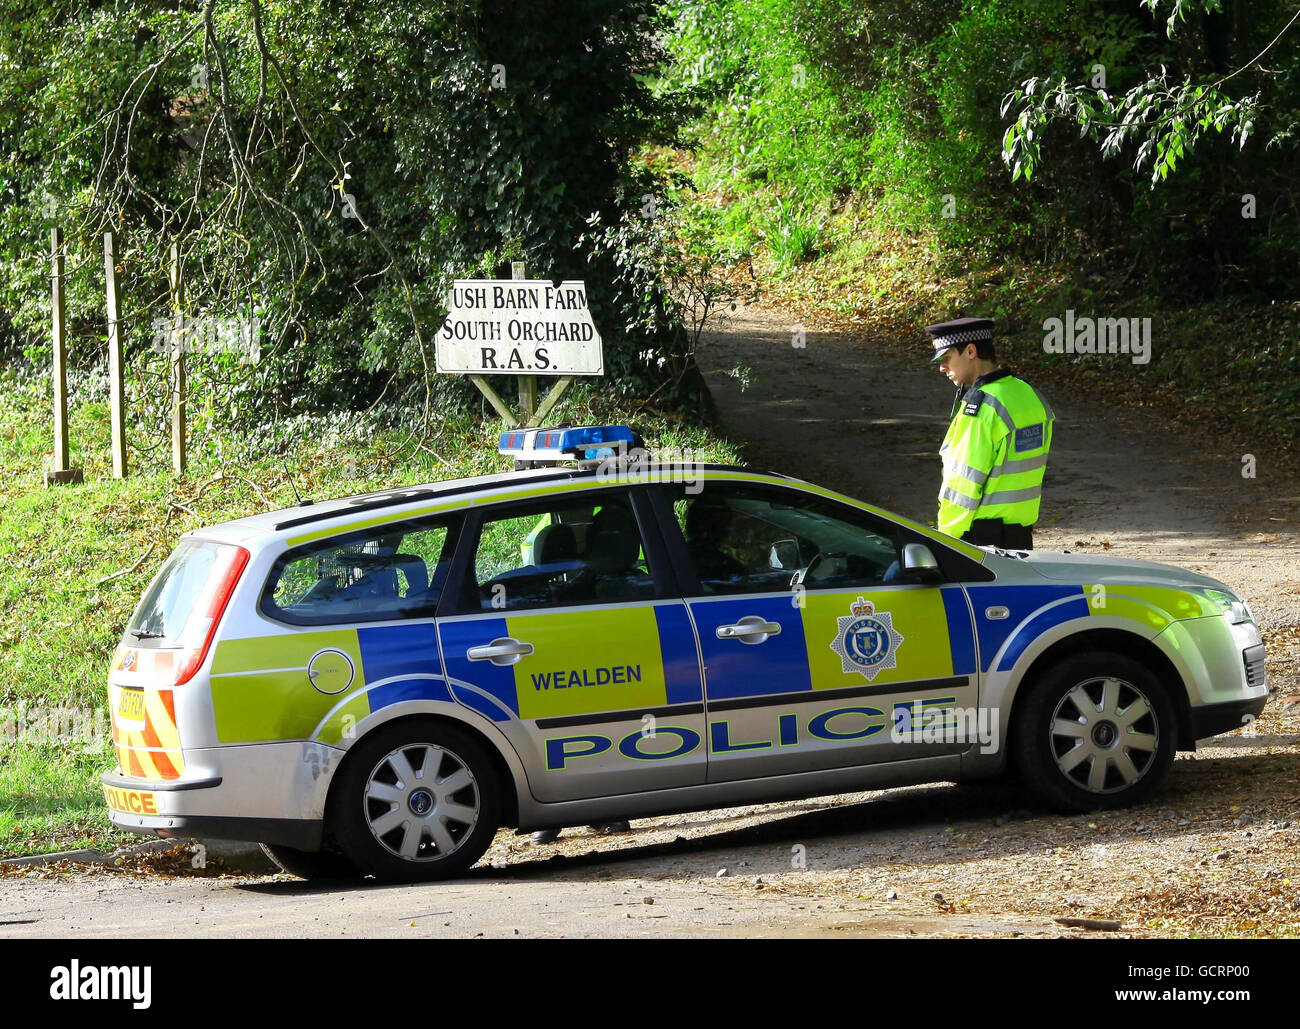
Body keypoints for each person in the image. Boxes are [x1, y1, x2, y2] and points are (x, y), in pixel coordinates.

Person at [926, 317, 1054, 550]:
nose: (942, 367)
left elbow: (962, 485)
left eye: (947, 358)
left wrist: (944, 540)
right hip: (1021, 541)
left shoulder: (983, 409)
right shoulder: (1029, 394)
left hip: (977, 545)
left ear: (971, 351)